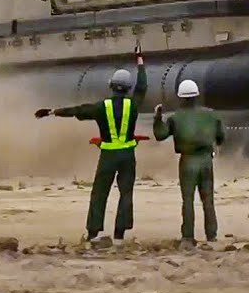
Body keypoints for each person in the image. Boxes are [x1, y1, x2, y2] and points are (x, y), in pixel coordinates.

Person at [34, 46, 147, 245]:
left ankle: (94, 232)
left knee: (99, 193)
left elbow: (78, 110)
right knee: (126, 193)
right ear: (128, 87)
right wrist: (139, 59)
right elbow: (143, 86)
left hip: (108, 156)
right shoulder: (134, 104)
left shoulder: (101, 107)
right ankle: (120, 235)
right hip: (128, 155)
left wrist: (51, 111)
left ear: (111, 86)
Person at [153, 78, 226, 246]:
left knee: (188, 199)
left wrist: (157, 118)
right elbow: (221, 137)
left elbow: (160, 135)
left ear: (180, 97)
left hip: (188, 161)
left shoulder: (175, 118)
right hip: (207, 160)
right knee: (208, 199)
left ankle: (187, 236)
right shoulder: (211, 114)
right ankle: (211, 236)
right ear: (196, 96)